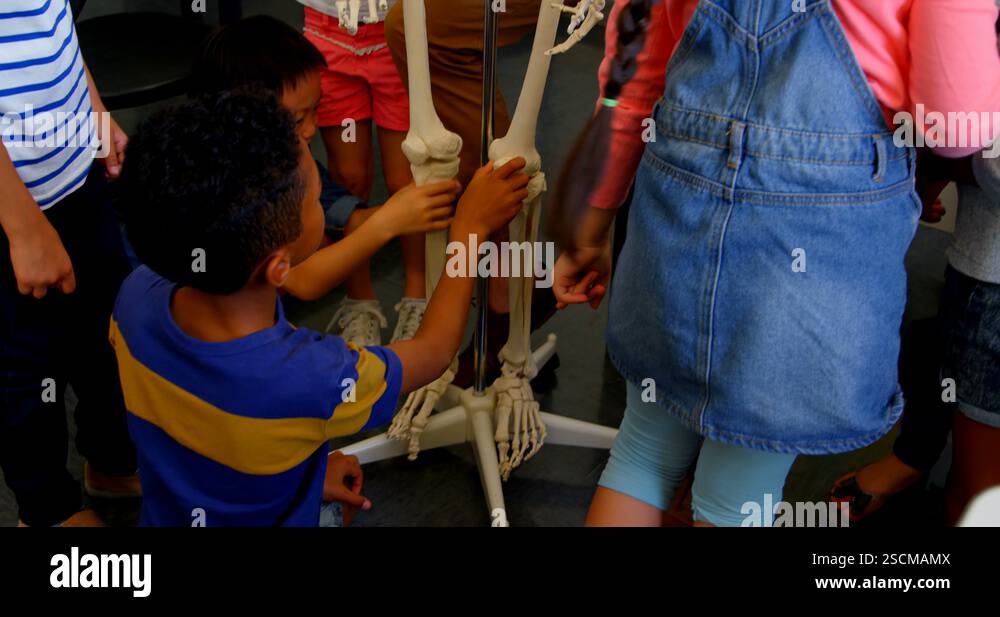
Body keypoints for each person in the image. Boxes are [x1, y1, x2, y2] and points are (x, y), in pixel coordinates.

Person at [551, 0, 1000, 527]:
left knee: (642, 452)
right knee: (736, 495)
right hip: (812, 246)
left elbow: (638, 81)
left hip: (676, 210)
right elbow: (951, 124)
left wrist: (596, 218)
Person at [112, 89, 528, 526]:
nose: (319, 204)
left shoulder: (136, 296)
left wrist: (295, 471)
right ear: (277, 267)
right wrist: (470, 231)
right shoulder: (314, 376)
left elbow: (207, 429)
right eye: (315, 201)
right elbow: (435, 350)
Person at [191, 15, 452, 347]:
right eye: (299, 118)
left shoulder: (279, 160)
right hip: (212, 346)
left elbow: (349, 217)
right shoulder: (228, 191)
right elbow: (304, 279)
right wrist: (391, 221)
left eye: (318, 110)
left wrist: (427, 206)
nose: (312, 129)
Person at [0, 0, 139, 527]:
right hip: (11, 206)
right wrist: (22, 225)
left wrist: (94, 111)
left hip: (72, 166)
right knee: (26, 366)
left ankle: (111, 458)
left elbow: (50, 24)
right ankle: (46, 511)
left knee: (105, 322)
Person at [298, 1, 429, 346]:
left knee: (405, 178)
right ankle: (359, 301)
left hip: (399, 30)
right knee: (349, 177)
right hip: (329, 31)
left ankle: (418, 296)